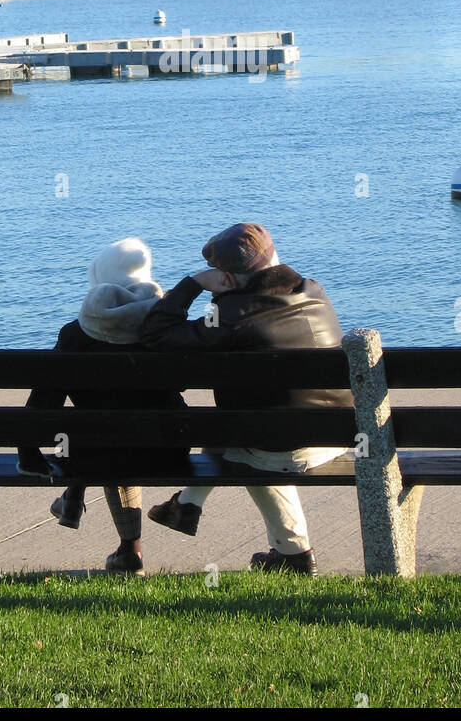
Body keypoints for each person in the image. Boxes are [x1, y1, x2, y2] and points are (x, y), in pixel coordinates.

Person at [138, 223, 354, 575]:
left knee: (242, 439)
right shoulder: (314, 291)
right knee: (246, 427)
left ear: (226, 277)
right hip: (338, 435)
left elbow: (155, 335)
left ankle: (290, 551)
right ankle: (189, 506)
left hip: (277, 448)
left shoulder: (230, 316)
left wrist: (193, 284)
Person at [17, 239, 188, 576]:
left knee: (99, 435)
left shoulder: (73, 336)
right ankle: (124, 549)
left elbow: (43, 405)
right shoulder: (164, 332)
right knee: (123, 432)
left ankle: (120, 542)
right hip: (168, 450)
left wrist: (29, 454)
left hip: (91, 454)